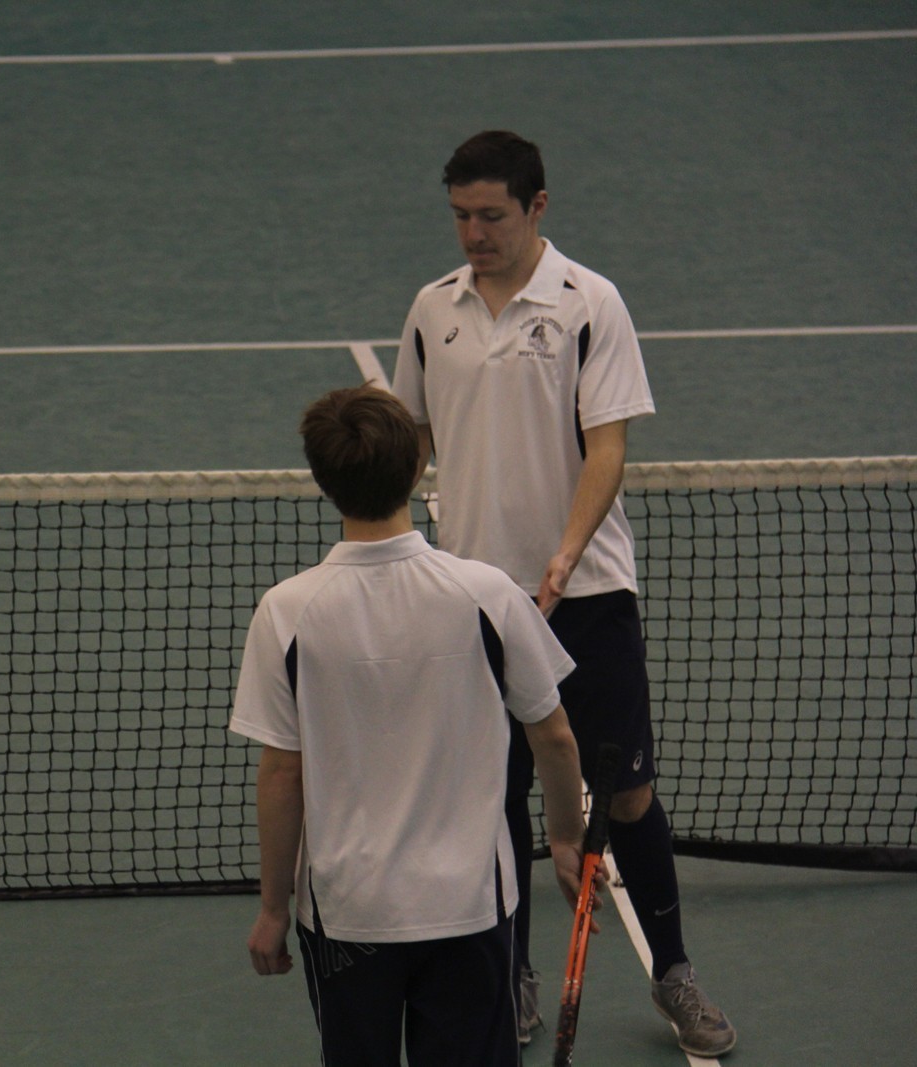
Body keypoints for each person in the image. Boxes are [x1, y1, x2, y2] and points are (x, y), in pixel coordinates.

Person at [390, 130, 737, 1057]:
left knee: (626, 792)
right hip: (473, 597)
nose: (474, 233)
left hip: (586, 593)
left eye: (492, 215)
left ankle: (674, 973)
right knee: (493, 798)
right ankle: (513, 975)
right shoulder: (432, 309)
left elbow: (610, 444)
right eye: (461, 215)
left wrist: (565, 552)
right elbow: (413, 434)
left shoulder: (591, 303)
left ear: (538, 207)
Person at [233, 385, 588, 1066]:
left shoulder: (286, 612)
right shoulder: (489, 594)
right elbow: (555, 735)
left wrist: (273, 908)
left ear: (324, 482)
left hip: (347, 917)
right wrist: (566, 837)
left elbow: (282, 774)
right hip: (470, 907)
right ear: (418, 467)